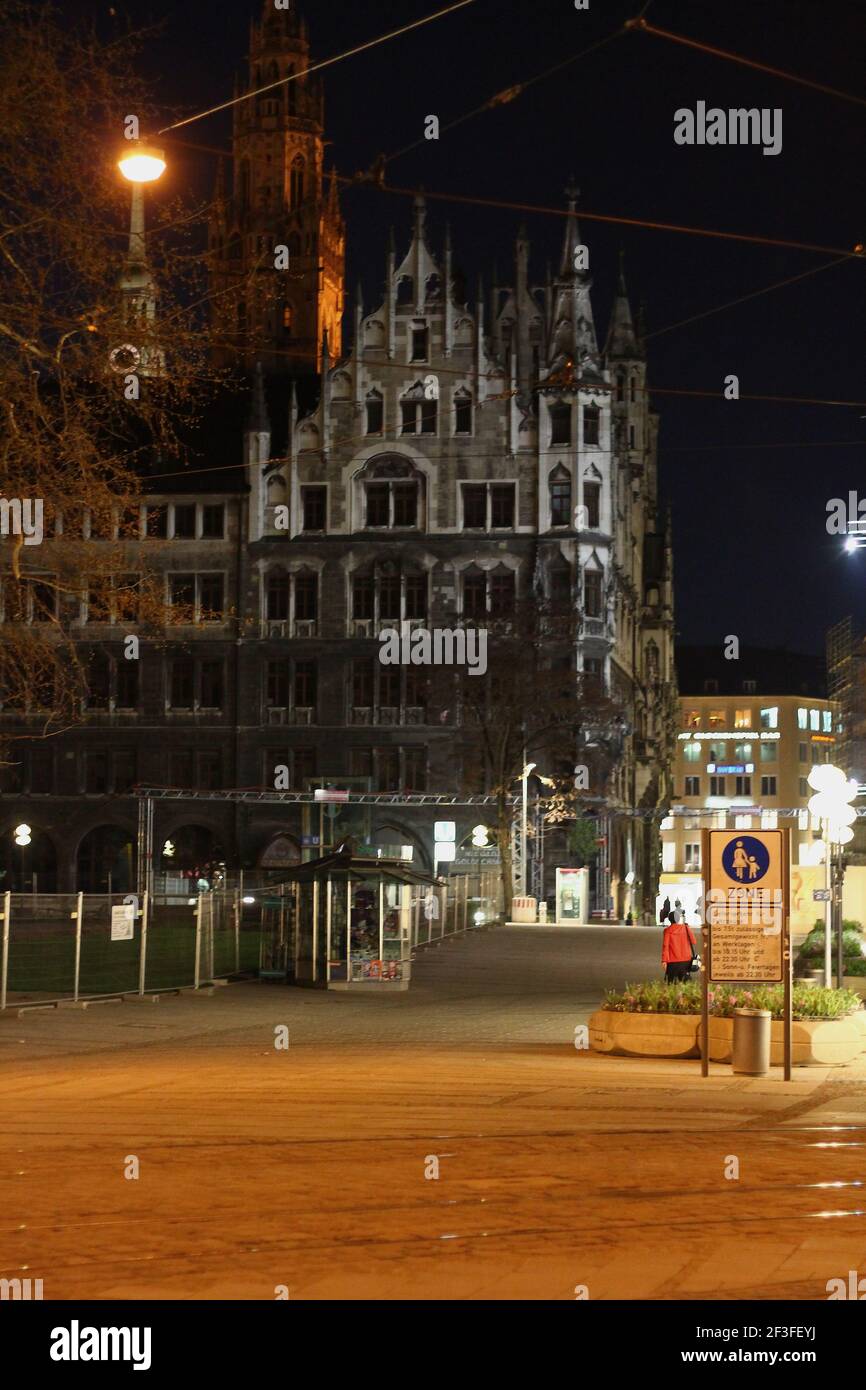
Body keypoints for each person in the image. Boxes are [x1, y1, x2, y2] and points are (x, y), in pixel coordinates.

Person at [662, 908, 697, 983]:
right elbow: (694, 941)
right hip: (686, 961)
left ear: (670, 920)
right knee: (686, 984)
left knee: (672, 985)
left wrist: (664, 961)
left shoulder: (667, 931)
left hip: (672, 962)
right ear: (678, 919)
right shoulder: (686, 928)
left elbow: (666, 946)